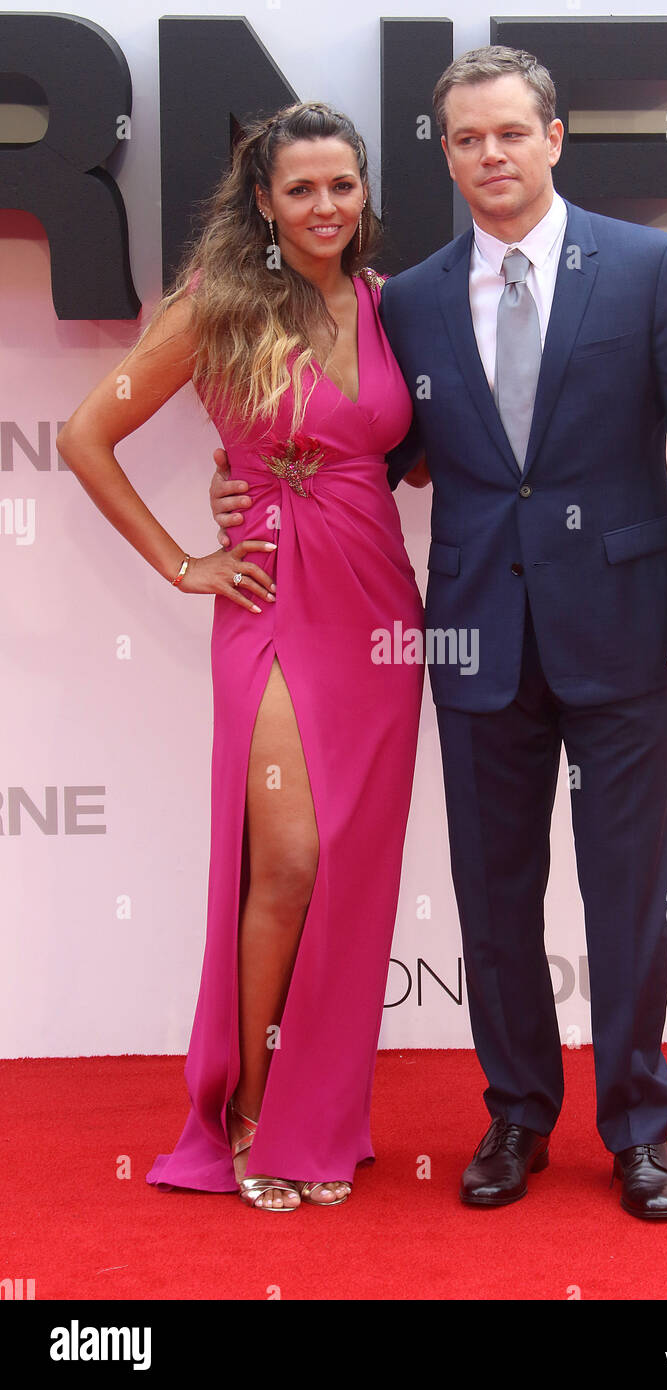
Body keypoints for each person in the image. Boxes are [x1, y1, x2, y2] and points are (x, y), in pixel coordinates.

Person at [210, 47, 667, 1219]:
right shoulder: (401, 300)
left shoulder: (652, 270)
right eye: (466, 140)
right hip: (469, 637)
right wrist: (244, 486)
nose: (490, 155)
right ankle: (515, 1118)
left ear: (553, 137)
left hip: (625, 631)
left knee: (626, 891)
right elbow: (373, 444)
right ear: (444, 154)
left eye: (510, 132)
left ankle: (637, 1131)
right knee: (493, 899)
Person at [57, 102, 424, 1211]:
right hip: (270, 599)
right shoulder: (217, 305)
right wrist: (184, 562)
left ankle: (321, 1116)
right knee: (290, 859)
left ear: (365, 196)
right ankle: (252, 1109)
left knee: (349, 874)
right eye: (300, 189)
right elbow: (85, 434)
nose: (324, 207)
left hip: (378, 613)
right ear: (261, 201)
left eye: (341, 187)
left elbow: (399, 453)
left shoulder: (377, 304)